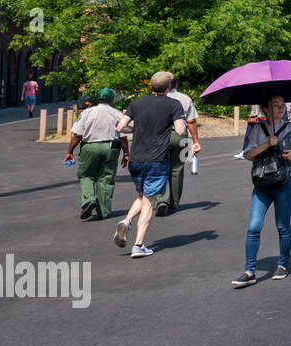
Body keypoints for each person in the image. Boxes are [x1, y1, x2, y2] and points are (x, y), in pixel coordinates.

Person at [232, 93, 291, 287]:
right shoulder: (256, 129)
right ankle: (249, 271)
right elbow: (248, 155)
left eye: (282, 105)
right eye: (275, 105)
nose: (280, 108)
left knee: (282, 226)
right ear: (265, 109)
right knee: (253, 227)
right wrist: (266, 144)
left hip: (284, 183)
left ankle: (283, 265)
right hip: (262, 184)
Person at [113, 72, 186, 259]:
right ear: (169, 87)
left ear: (151, 86)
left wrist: (136, 128)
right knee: (149, 202)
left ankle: (126, 221)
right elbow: (179, 130)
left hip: (136, 159)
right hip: (157, 160)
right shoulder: (173, 104)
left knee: (142, 195)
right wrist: (175, 123)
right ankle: (138, 244)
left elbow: (121, 128)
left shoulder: (136, 103)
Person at [64, 87, 128, 221]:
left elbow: (77, 135)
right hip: (111, 147)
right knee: (106, 178)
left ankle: (89, 199)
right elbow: (122, 137)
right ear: (111, 99)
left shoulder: (87, 113)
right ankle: (103, 211)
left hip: (90, 147)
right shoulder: (117, 114)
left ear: (98, 99)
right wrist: (126, 154)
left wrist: (70, 152)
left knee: (86, 174)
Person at [156, 74, 201, 217]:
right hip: (182, 136)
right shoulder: (185, 98)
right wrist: (195, 141)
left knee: (161, 166)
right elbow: (191, 121)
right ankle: (174, 202)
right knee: (178, 168)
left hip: (161, 136)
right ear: (176, 84)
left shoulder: (157, 98)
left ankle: (163, 199)